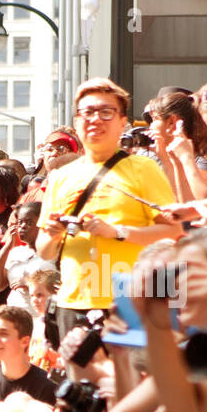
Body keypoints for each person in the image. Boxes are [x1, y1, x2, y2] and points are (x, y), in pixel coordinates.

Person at [38, 78, 180, 337]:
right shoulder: (60, 176)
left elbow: (173, 231)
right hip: (74, 304)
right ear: (77, 122)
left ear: (122, 122)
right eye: (87, 112)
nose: (95, 120)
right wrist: (52, 233)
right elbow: (44, 250)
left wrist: (117, 232)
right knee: (80, 379)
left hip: (130, 303)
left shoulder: (143, 168)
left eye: (106, 112)